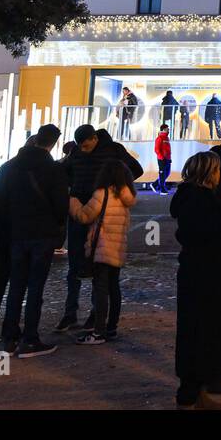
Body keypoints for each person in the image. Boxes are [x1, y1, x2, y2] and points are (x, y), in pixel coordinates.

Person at [0, 124, 67, 356]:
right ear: (54, 143)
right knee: (35, 287)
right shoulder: (52, 169)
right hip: (42, 234)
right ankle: (30, 338)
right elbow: (61, 206)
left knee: (16, 285)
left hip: (15, 234)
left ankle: (9, 337)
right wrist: (59, 228)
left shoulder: (9, 167)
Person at [172, 151, 221, 408]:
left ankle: (197, 390)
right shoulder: (198, 198)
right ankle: (190, 394)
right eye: (215, 171)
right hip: (205, 275)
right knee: (199, 333)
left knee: (201, 332)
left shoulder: (194, 196)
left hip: (202, 273)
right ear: (207, 172)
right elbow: (215, 228)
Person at [57, 125, 143, 333]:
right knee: (75, 266)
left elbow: (136, 169)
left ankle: (97, 315)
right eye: (80, 146)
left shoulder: (114, 150)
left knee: (100, 269)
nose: (83, 149)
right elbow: (66, 171)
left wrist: (115, 189)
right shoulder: (76, 151)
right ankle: (70, 313)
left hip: (102, 215)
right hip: (80, 213)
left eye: (86, 145)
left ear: (94, 138)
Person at [69, 159, 137, 344]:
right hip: (117, 249)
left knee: (100, 290)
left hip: (102, 248)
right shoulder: (126, 198)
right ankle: (111, 328)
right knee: (114, 289)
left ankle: (98, 331)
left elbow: (84, 215)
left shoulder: (102, 193)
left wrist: (73, 202)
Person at [153, 123, 172, 195]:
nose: (168, 130)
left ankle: (155, 184)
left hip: (167, 159)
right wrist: (162, 158)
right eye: (167, 129)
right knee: (162, 174)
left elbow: (167, 150)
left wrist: (169, 158)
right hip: (162, 159)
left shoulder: (167, 138)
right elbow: (156, 150)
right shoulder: (159, 138)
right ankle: (162, 190)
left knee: (167, 173)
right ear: (163, 130)